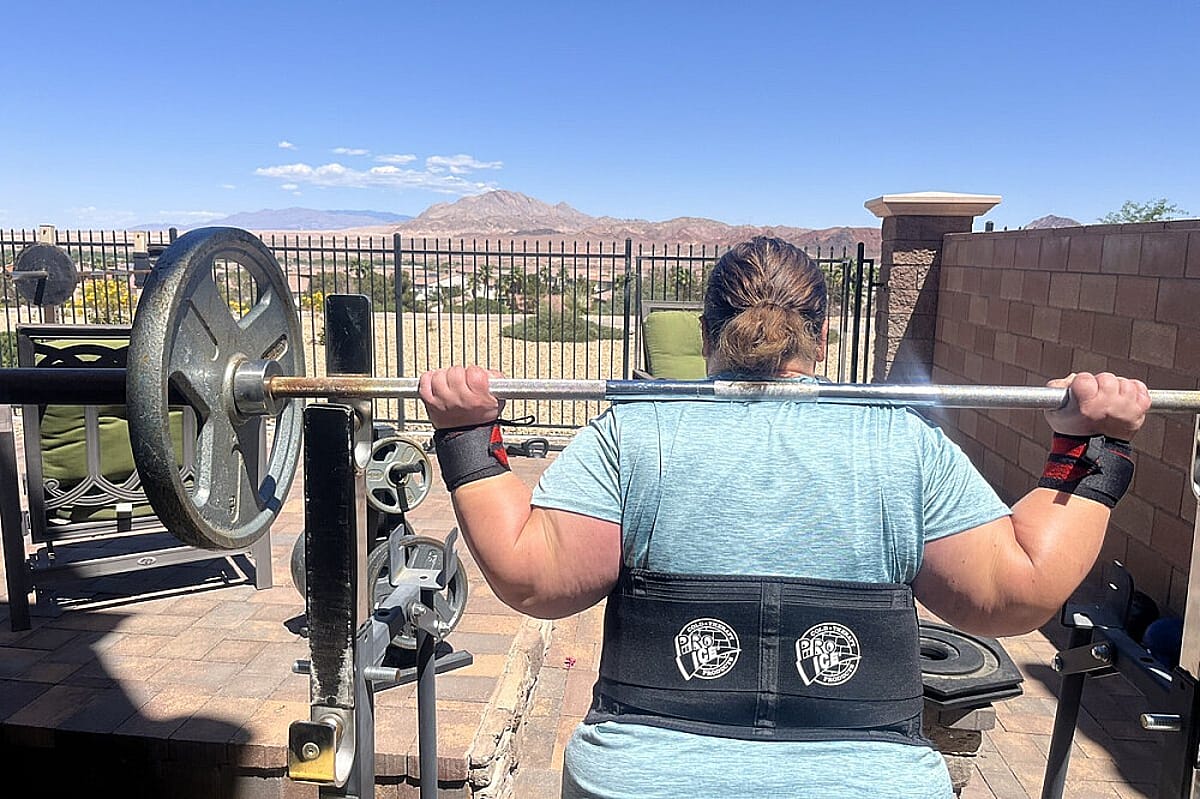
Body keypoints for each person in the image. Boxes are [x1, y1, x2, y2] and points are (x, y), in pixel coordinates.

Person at [418, 236, 1150, 798]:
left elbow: (532, 576)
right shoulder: (898, 439)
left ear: (708, 337)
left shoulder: (634, 432)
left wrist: (466, 434)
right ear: (823, 336)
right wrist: (1090, 449)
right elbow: (1013, 592)